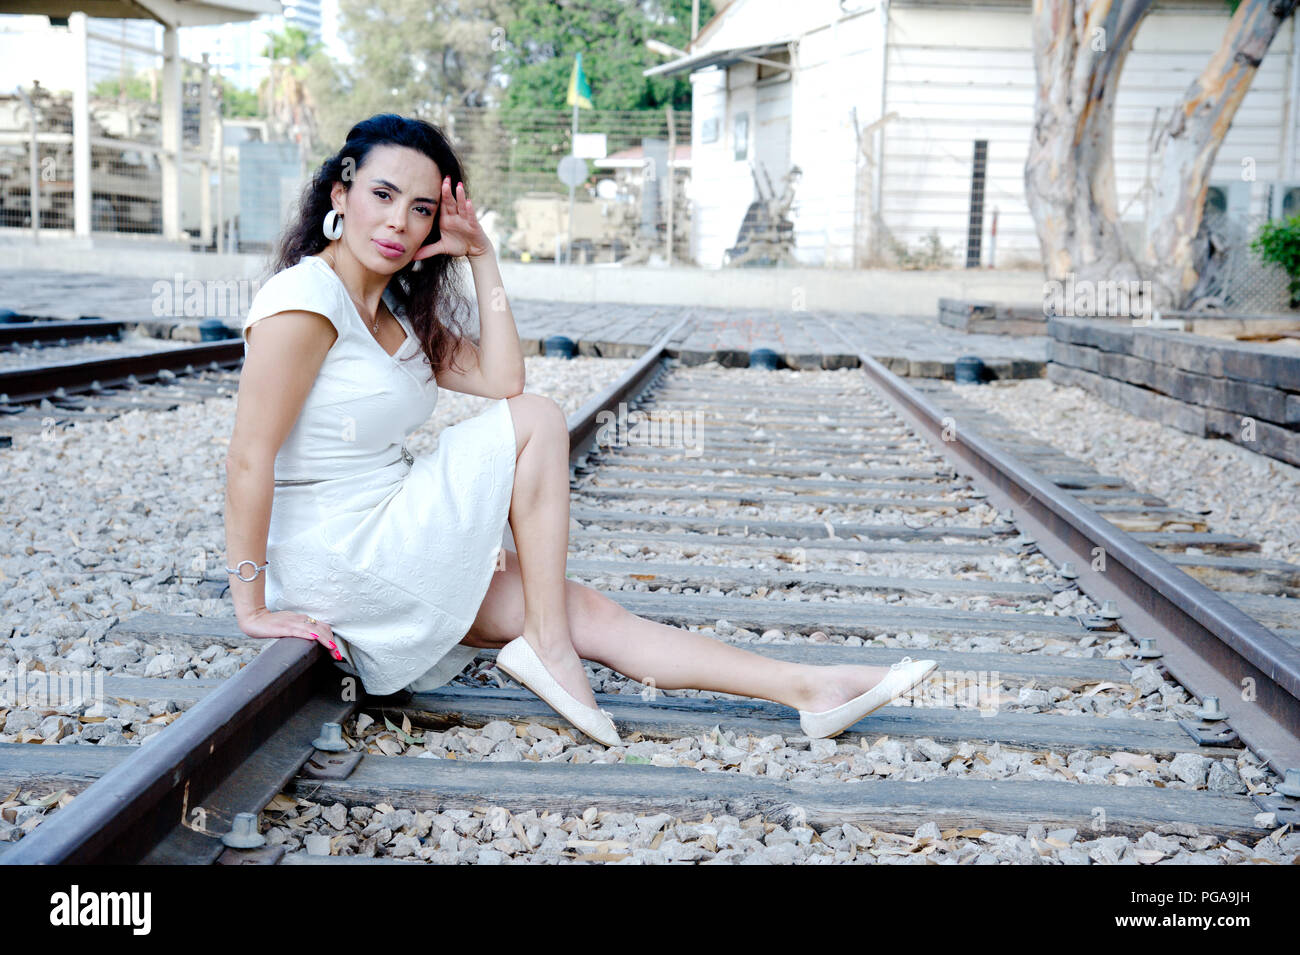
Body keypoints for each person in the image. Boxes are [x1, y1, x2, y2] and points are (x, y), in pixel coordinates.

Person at [223, 113, 935, 748]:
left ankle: (808, 690)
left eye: (419, 208)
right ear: (339, 195)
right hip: (341, 548)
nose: (399, 223)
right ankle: (550, 648)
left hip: (387, 531)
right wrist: (253, 604)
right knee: (537, 427)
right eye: (381, 195)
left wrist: (482, 257)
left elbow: (505, 377)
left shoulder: (395, 316)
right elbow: (250, 457)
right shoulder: (304, 300)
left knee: (577, 607)